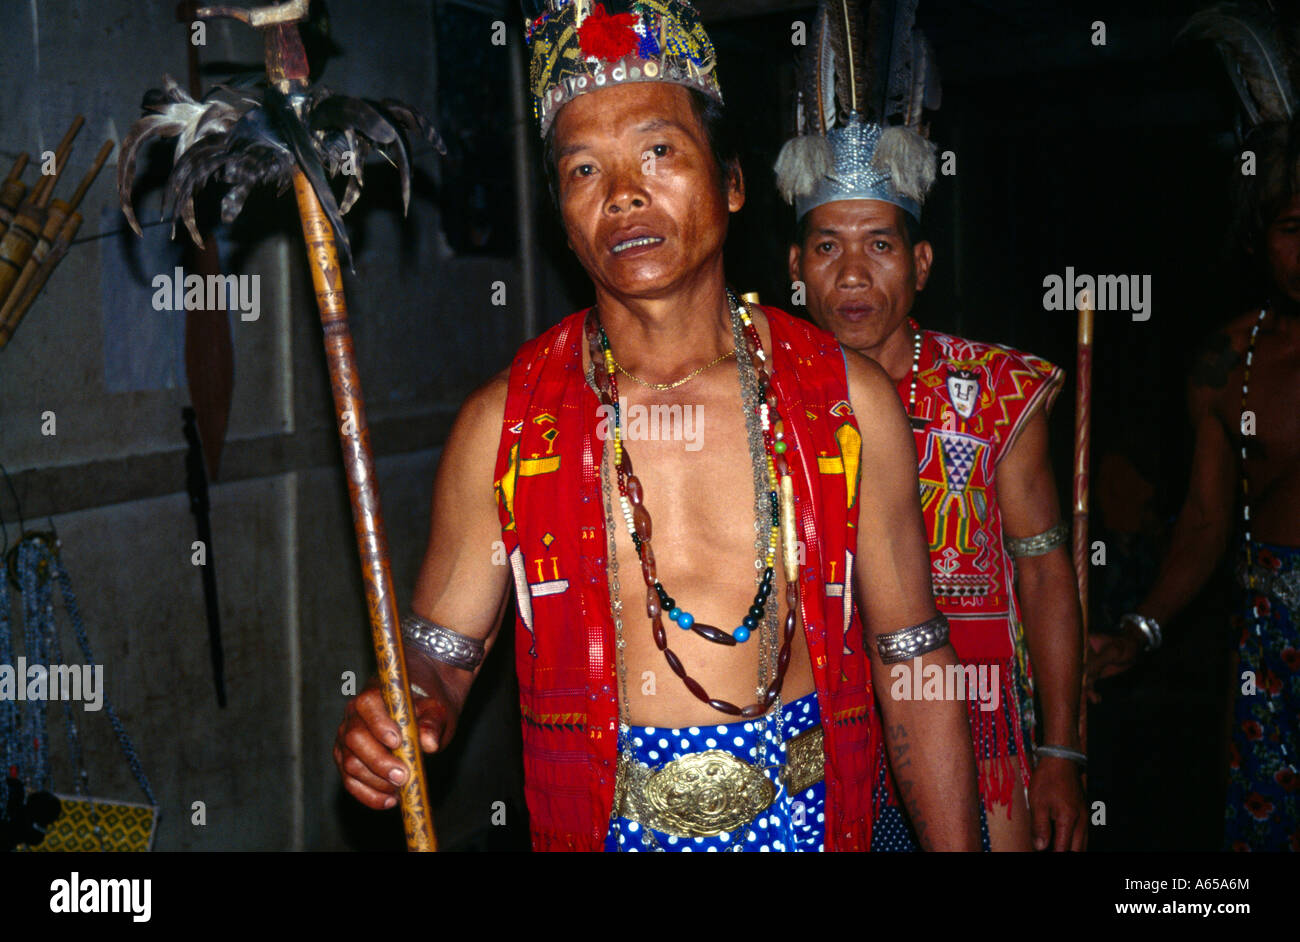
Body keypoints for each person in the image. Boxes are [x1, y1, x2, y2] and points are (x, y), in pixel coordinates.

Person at [333, 0, 980, 852]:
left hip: (814, 826)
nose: (624, 194)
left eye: (659, 152)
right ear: (562, 217)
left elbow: (912, 662)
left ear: (734, 182)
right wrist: (403, 708)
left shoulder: (847, 404)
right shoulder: (509, 427)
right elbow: (441, 660)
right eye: (583, 171)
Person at [776, 0, 1085, 851]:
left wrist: (1061, 751)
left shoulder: (994, 392)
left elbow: (1047, 575)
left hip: (976, 734)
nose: (852, 273)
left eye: (879, 245)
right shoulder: (763, 396)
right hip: (819, 736)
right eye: (827, 247)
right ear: (796, 268)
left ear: (920, 263)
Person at [1088, 12, 1300, 847]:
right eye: (1292, 227)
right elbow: (1210, 521)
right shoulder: (1230, 359)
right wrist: (1142, 629)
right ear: (1262, 237)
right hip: (1273, 649)